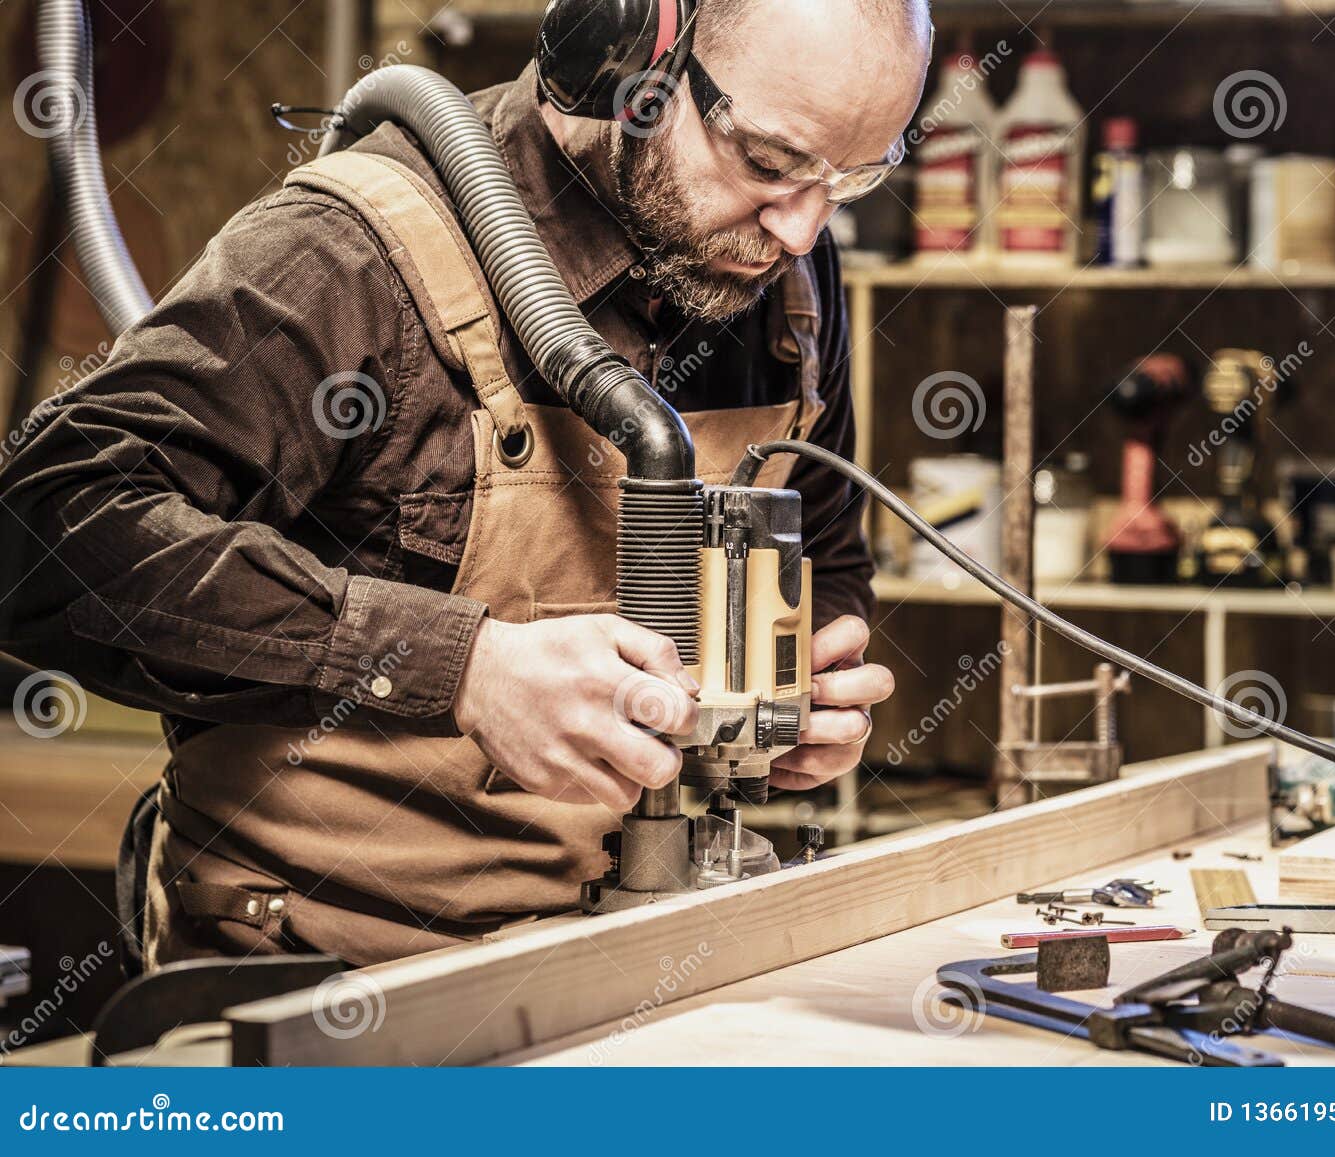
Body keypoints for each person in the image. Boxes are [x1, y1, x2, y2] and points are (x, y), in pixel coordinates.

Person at [0, 0, 930, 968]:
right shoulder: (351, 255)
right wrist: (469, 669)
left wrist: (803, 682)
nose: (801, 226)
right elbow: (40, 527)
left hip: (612, 979)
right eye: (772, 162)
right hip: (320, 990)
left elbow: (828, 548)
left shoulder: (785, 280)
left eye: (851, 177)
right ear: (626, 47)